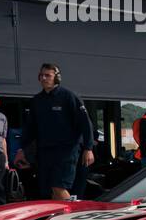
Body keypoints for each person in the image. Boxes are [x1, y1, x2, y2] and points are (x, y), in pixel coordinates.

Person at [13, 62, 94, 201]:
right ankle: (58, 218)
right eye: (41, 75)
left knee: (59, 186)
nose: (44, 78)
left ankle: (73, 217)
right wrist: (22, 150)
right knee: (49, 189)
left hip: (67, 151)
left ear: (57, 78)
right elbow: (30, 129)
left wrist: (88, 148)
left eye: (48, 75)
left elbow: (86, 124)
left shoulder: (69, 97)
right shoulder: (36, 101)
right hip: (45, 152)